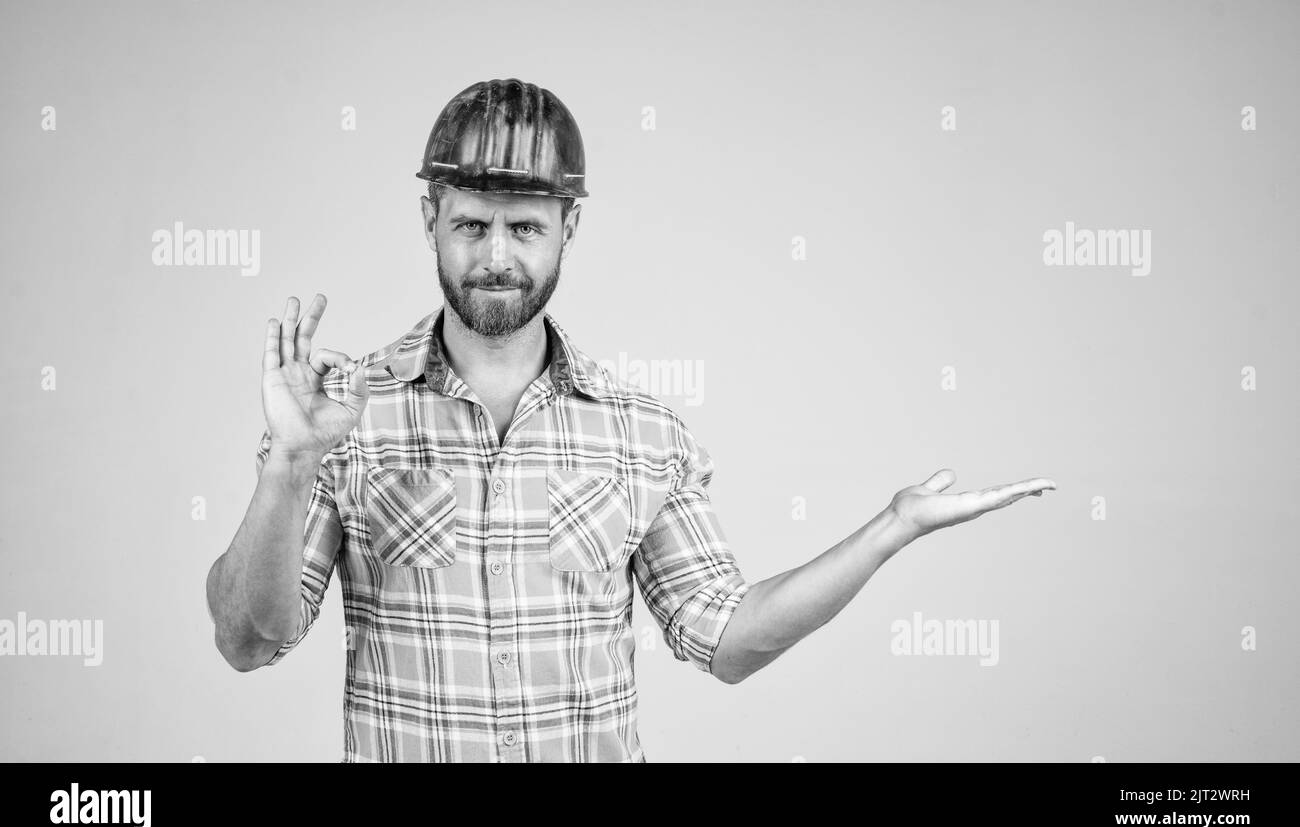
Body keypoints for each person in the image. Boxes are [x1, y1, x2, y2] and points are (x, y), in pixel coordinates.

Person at [205, 78, 1056, 762]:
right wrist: (288, 463)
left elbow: (729, 643)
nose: (497, 256)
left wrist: (890, 528)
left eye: (526, 227)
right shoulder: (338, 417)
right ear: (429, 217)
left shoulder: (644, 434)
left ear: (570, 226)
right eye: (471, 224)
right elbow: (248, 640)